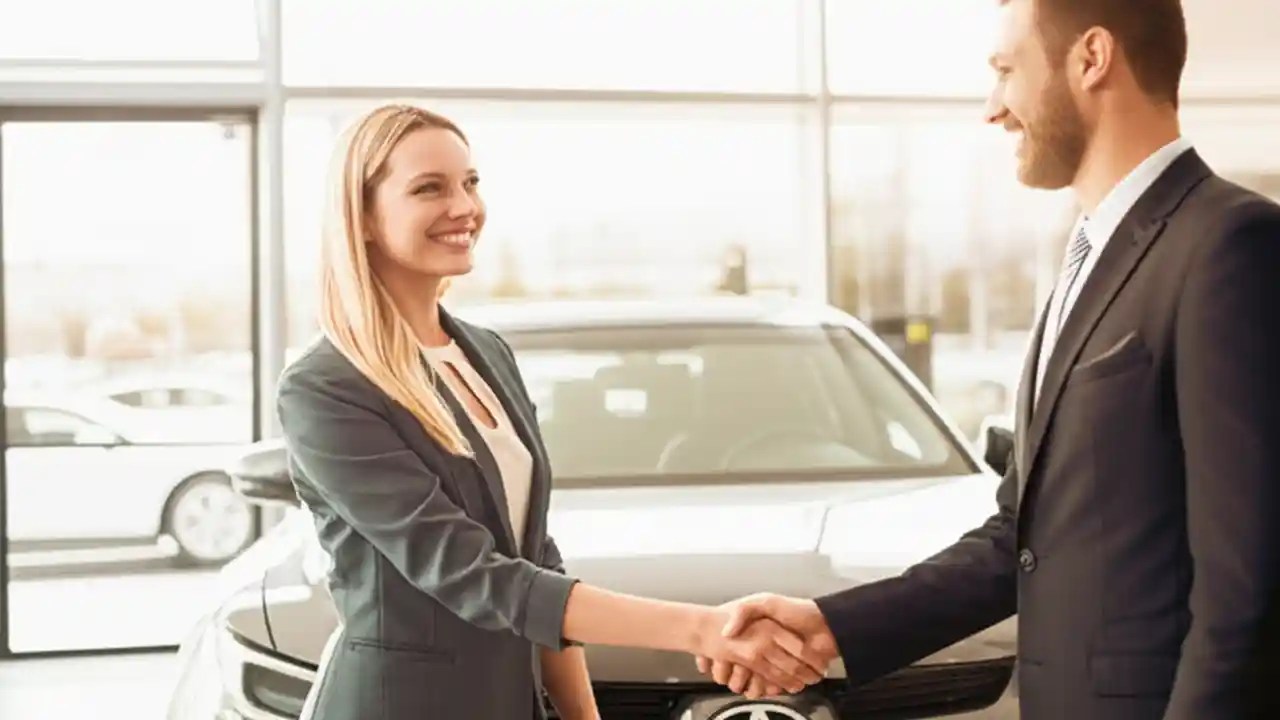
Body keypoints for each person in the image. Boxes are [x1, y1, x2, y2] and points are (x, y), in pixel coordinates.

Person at [700, 1, 1280, 718]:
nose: (993, 109)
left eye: (1006, 70)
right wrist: (831, 623)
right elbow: (1023, 539)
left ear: (1092, 58)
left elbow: (1248, 582)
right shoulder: (1088, 258)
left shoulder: (1229, 246)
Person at [278, 103, 834, 720]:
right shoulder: (326, 388)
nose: (464, 207)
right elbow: (472, 575)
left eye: (470, 182)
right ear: (364, 219)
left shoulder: (485, 352)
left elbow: (534, 562)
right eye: (428, 188)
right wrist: (702, 630)